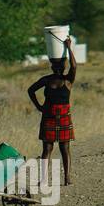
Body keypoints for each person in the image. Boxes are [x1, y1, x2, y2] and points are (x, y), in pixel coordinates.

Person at [28, 35, 76, 186]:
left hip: (62, 117)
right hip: (48, 116)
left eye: (61, 66)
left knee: (64, 147)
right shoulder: (46, 80)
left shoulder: (68, 80)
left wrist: (69, 47)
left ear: (64, 67)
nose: (58, 68)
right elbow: (30, 90)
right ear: (52, 67)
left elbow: (75, 66)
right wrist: (39, 106)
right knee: (47, 148)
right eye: (56, 66)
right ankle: (43, 179)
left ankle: (67, 178)